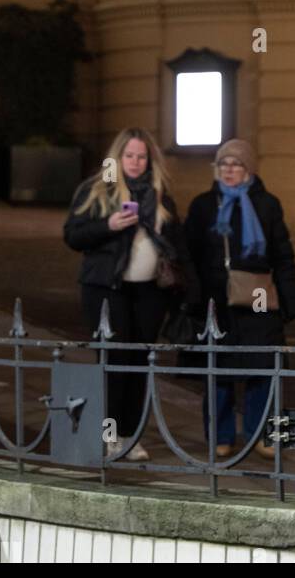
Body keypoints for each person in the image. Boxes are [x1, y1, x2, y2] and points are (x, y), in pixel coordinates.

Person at [63, 126, 196, 461]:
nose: (135, 162)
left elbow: (177, 245)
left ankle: (129, 436)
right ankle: (107, 435)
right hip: (107, 291)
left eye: (141, 156)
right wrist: (108, 226)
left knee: (139, 364)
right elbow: (73, 235)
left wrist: (186, 289)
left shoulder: (160, 194)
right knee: (113, 363)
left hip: (150, 292)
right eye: (129, 156)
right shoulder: (99, 190)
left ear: (150, 160)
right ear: (118, 157)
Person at [185, 138, 295, 458]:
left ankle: (261, 434)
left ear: (248, 169)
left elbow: (282, 256)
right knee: (219, 371)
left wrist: (291, 301)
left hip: (259, 294)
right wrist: (193, 298)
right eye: (223, 164)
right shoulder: (203, 205)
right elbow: (189, 255)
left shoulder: (267, 204)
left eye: (236, 164)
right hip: (217, 300)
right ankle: (220, 436)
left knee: (263, 366)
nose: (229, 170)